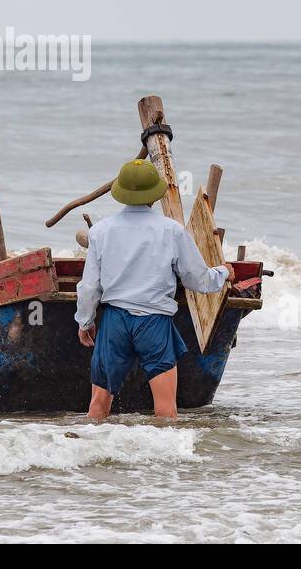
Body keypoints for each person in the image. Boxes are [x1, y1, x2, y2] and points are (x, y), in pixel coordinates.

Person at [75, 158, 232, 421]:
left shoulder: (101, 231)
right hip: (155, 323)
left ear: (121, 193)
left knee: (98, 405)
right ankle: (167, 459)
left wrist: (85, 321)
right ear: (154, 195)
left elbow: (90, 286)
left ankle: (91, 456)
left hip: (115, 322)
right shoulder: (171, 231)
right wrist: (224, 272)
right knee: (166, 409)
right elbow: (199, 280)